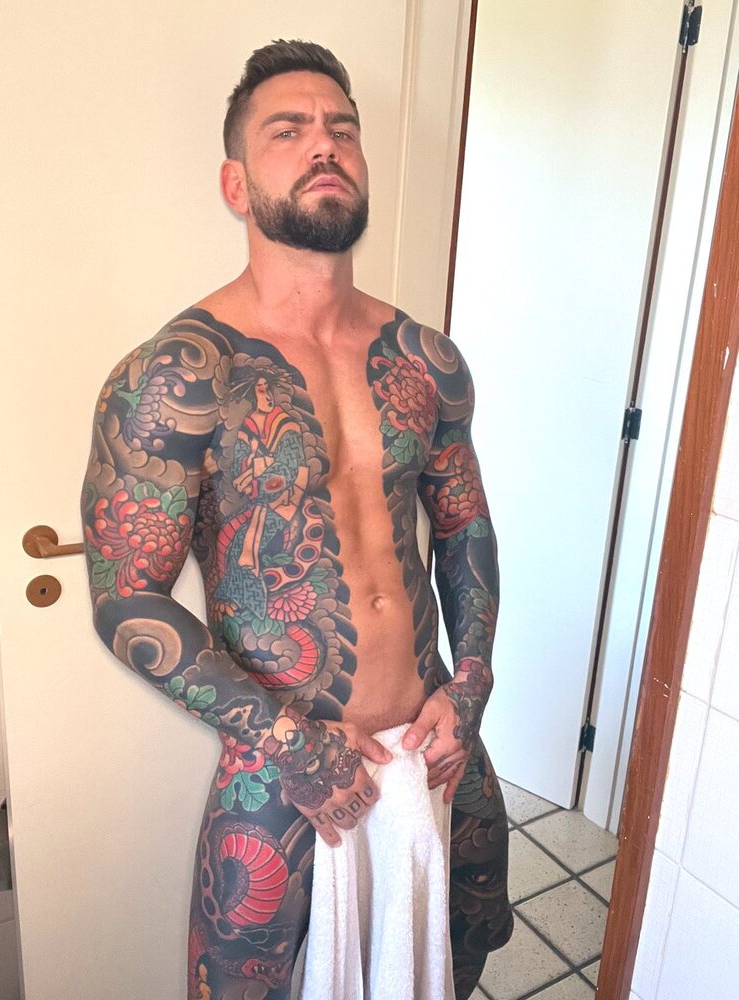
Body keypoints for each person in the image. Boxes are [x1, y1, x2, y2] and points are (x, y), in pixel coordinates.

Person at [81, 39, 513, 1000]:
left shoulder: (427, 359)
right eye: (289, 130)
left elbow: (465, 529)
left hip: (437, 741)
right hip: (282, 766)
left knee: (463, 945)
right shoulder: (176, 376)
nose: (325, 145)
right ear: (235, 185)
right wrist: (289, 741)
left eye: (341, 129)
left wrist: (473, 682)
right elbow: (125, 598)